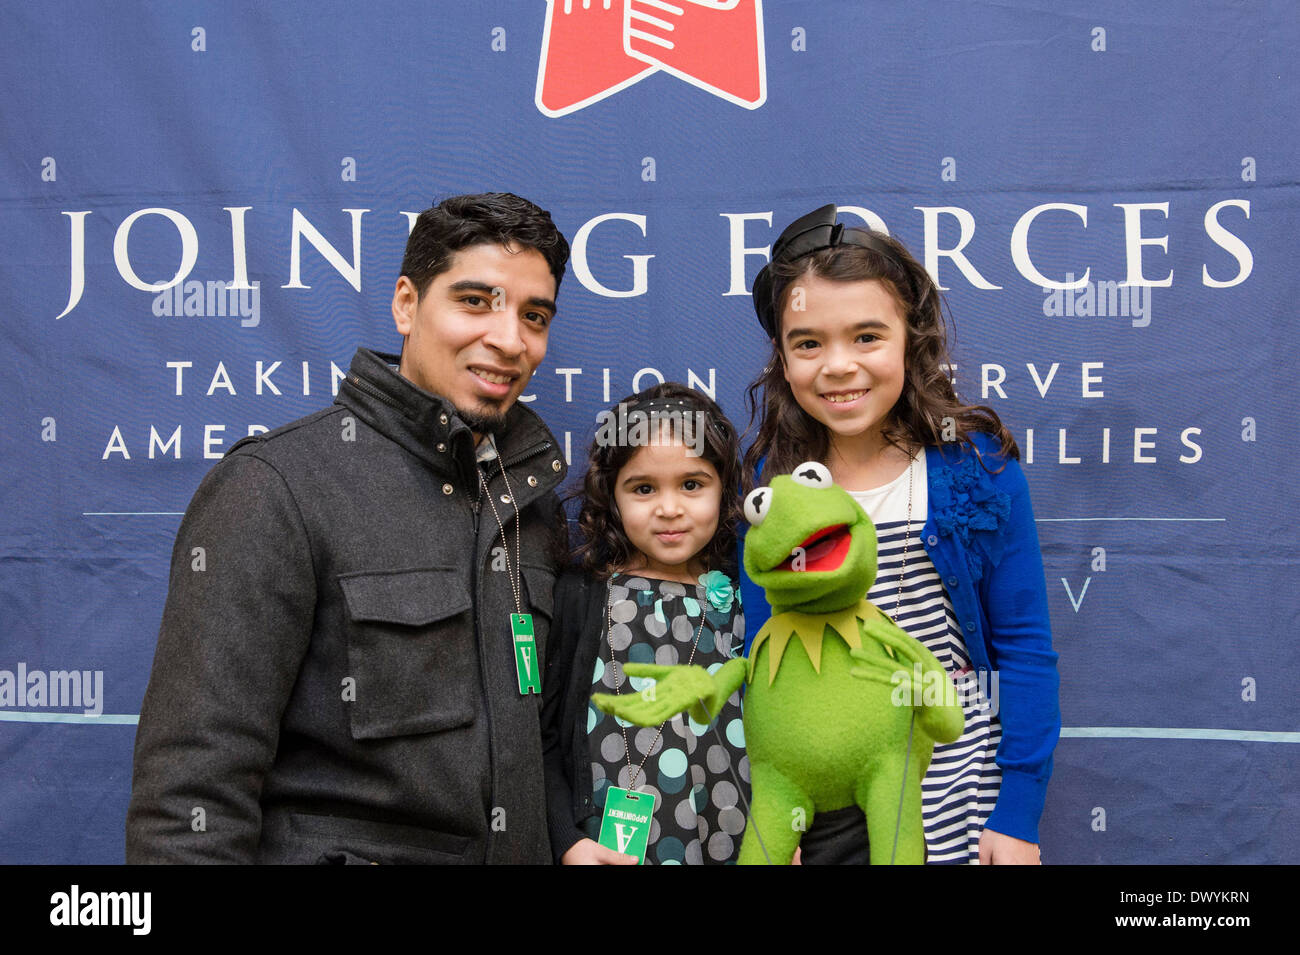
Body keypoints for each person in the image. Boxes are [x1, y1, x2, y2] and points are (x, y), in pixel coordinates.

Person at [126, 192, 572, 863]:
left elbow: (531, 752)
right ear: (406, 304)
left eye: (533, 316)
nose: (509, 340)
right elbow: (190, 801)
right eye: (475, 301)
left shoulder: (530, 506)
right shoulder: (277, 487)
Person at [740, 204, 1060, 865]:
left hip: (958, 807)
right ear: (782, 355)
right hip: (826, 816)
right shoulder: (776, 487)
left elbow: (1025, 648)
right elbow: (762, 659)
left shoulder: (977, 469)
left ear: (909, 338)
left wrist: (1019, 812)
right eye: (808, 342)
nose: (837, 366)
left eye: (866, 336)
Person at [542, 383, 750, 865]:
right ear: (611, 495)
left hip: (744, 844)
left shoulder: (749, 595)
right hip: (613, 852)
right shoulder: (581, 597)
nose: (670, 508)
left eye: (692, 484)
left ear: (724, 485)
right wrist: (566, 841)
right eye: (643, 488)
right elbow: (543, 737)